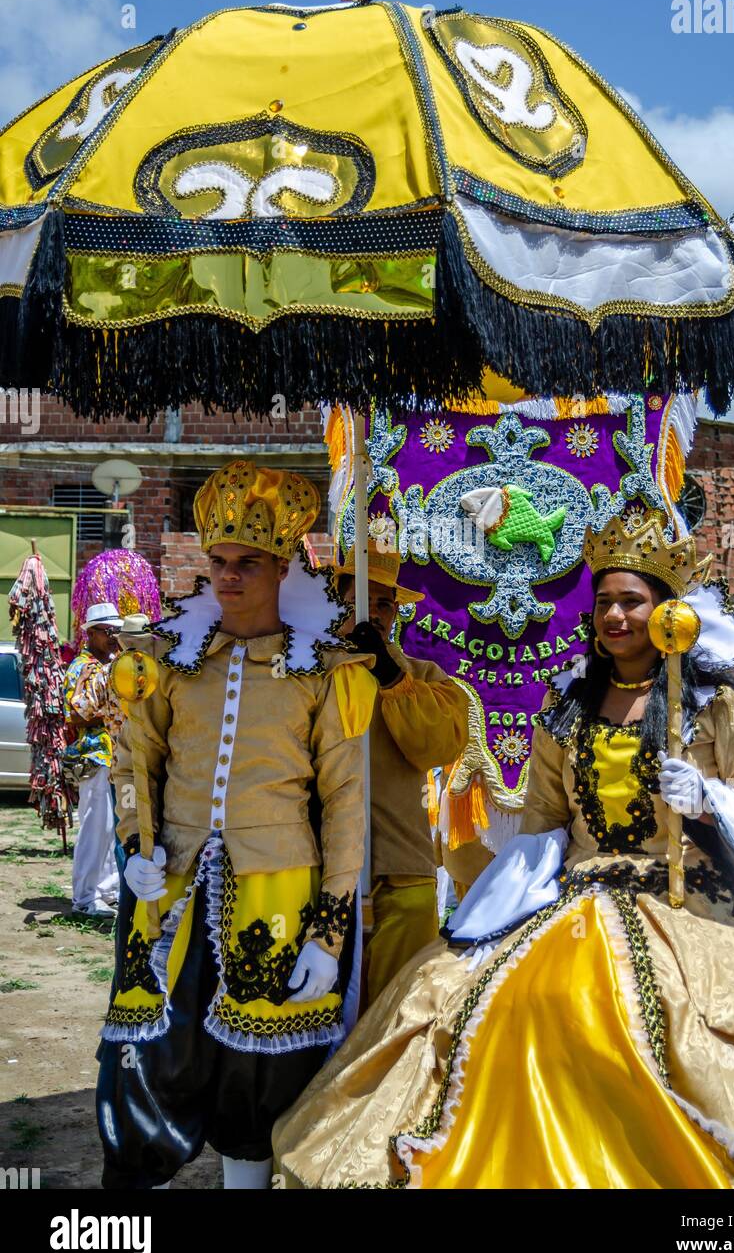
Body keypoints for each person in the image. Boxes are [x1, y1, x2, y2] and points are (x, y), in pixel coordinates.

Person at [272, 510, 734, 1190]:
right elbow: (548, 816)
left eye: (631, 602)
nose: (615, 616)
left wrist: (707, 798)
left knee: (689, 1021)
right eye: (604, 601)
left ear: (666, 610)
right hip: (579, 897)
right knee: (520, 1002)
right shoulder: (569, 702)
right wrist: (505, 894)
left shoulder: (711, 703)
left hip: (691, 897)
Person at [96, 459, 377, 1190]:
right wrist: (133, 844)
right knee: (155, 1053)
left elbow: (346, 805)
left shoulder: (325, 671)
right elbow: (133, 764)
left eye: (248, 562)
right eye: (219, 561)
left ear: (282, 568)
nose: (229, 575)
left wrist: (329, 930)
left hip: (278, 891)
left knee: (258, 1070)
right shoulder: (169, 660)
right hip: (170, 887)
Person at [335, 541, 470, 1005]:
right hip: (323, 867)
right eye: (359, 601)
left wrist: (391, 678)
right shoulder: (308, 673)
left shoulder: (425, 676)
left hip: (401, 867)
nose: (372, 613)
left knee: (399, 1005)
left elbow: (437, 746)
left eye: (384, 604)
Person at [63, 602, 124, 916]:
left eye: (117, 630)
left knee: (113, 827)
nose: (114, 636)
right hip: (95, 755)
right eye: (108, 631)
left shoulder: (112, 662)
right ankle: (85, 898)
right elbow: (72, 714)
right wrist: (107, 710)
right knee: (94, 827)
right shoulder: (83, 666)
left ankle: (107, 891)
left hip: (113, 756)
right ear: (92, 633)